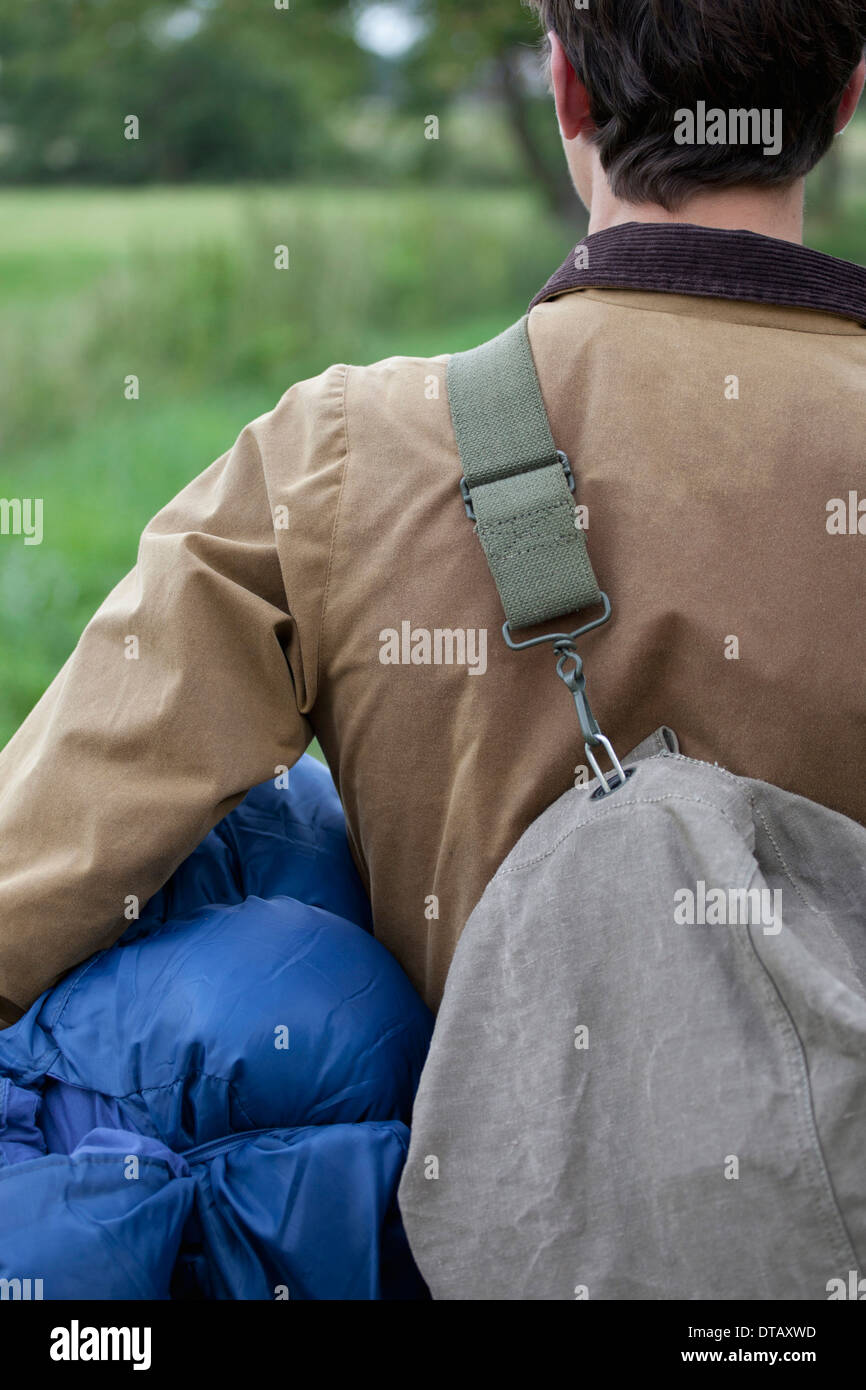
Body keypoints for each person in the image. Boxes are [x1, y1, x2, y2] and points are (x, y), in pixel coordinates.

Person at [1, 0, 865, 1028]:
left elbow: (35, 874)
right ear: (845, 94)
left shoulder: (336, 453)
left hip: (481, 1189)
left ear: (568, 93)